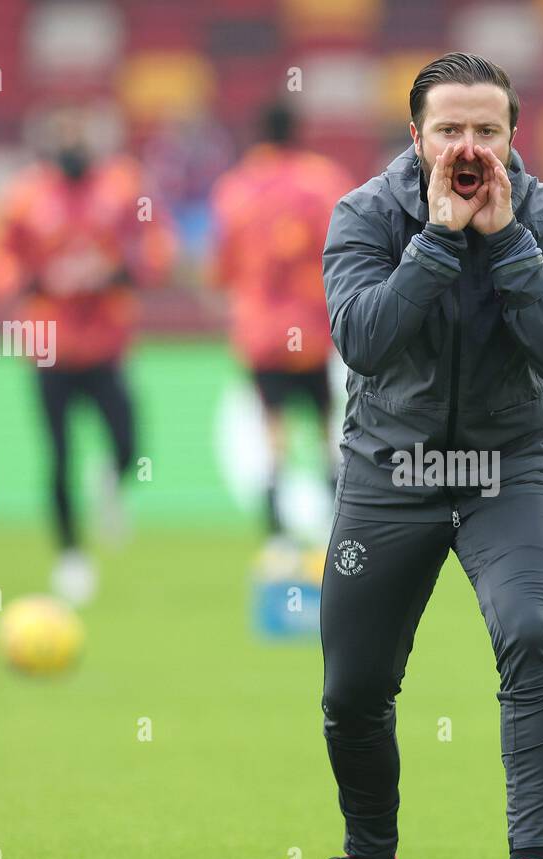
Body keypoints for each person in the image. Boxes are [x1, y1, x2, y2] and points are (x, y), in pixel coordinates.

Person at [268, 53, 543, 859]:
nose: (468, 144)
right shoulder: (366, 215)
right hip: (391, 471)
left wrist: (503, 242)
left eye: (485, 130)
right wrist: (437, 240)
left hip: (508, 468)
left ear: (511, 136)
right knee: (351, 688)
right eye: (449, 128)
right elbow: (365, 342)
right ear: (415, 135)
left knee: (531, 634)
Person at [0, 107, 175, 605]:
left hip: (105, 343)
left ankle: (110, 476)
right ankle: (70, 555)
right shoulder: (26, 195)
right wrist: (42, 280)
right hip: (50, 346)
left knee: (129, 440)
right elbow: (0, 261)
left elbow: (156, 247)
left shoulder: (121, 187)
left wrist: (114, 273)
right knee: (58, 454)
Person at [208, 101, 353, 539]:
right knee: (326, 420)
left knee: (274, 425)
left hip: (261, 329)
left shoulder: (235, 188)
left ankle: (275, 520)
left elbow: (223, 266)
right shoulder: (324, 181)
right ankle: (338, 512)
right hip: (312, 326)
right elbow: (348, 248)